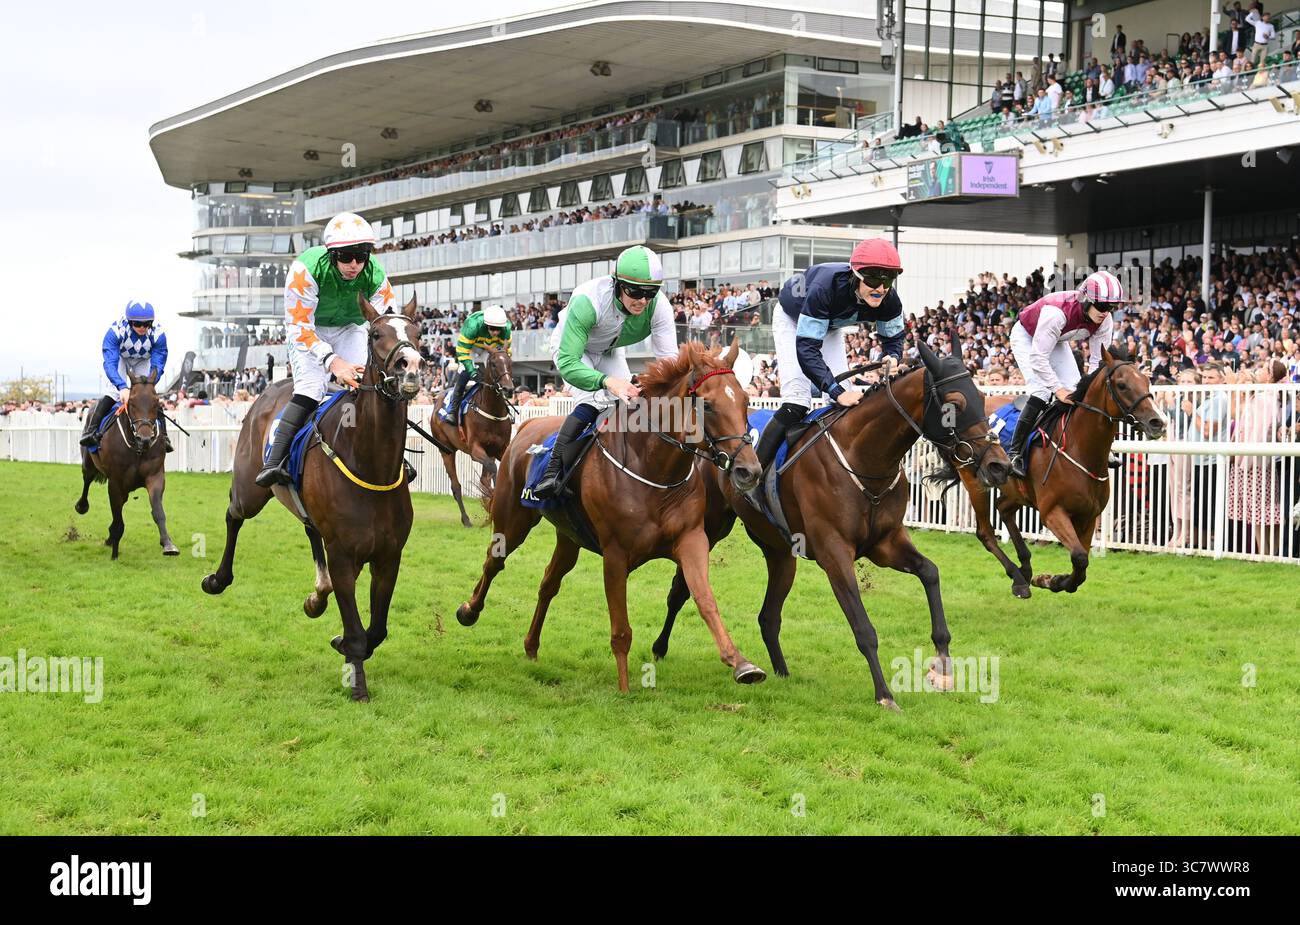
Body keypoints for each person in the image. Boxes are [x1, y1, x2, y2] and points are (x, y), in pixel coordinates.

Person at [256, 210, 396, 487]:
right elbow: (299, 328)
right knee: (311, 389)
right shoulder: (305, 270)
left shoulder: (376, 274)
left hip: (350, 328)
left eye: (361, 255)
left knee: (367, 388)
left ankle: (392, 457)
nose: (354, 264)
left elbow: (387, 323)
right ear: (332, 254)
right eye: (345, 256)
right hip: (310, 329)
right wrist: (333, 362)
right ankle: (274, 462)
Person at [530, 245, 678, 500]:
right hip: (573, 351)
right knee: (594, 400)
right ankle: (552, 471)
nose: (642, 300)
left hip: (610, 350)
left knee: (630, 400)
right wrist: (607, 382)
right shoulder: (589, 299)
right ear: (617, 282)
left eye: (650, 292)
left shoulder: (660, 306)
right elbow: (568, 363)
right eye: (635, 291)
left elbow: (670, 363)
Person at [757, 238, 907, 476]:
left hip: (829, 325)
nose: (880, 288)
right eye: (872, 280)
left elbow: (894, 337)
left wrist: (892, 356)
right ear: (856, 275)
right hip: (792, 318)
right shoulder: (825, 288)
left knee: (844, 405)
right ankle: (752, 474)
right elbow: (807, 351)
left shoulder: (889, 299)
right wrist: (836, 390)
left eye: (887, 279)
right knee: (797, 401)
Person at [1006, 270, 1122, 478]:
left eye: (1112, 307)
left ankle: (1092, 444)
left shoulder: (1105, 320)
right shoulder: (1056, 313)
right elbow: (1038, 359)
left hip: (1057, 338)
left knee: (1077, 390)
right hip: (1026, 336)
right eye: (1103, 306)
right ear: (1086, 299)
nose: (1106, 312)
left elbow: (1097, 361)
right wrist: (1058, 390)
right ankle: (1015, 453)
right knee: (1042, 390)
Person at [81, 301, 171, 451]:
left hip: (143, 360)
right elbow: (110, 362)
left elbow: (158, 363)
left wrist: (150, 383)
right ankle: (91, 431)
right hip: (121, 358)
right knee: (114, 393)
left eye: (147, 324)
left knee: (148, 395)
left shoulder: (159, 334)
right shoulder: (115, 332)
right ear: (129, 322)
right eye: (137, 324)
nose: (142, 328)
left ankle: (164, 437)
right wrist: (122, 387)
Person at [447, 304, 511, 426]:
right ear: (486, 325)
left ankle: (504, 408)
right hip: (470, 347)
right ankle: (452, 410)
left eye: (498, 329)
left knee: (498, 372)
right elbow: (462, 351)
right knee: (464, 373)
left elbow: (506, 352)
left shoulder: (507, 328)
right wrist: (472, 371)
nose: (495, 332)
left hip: (489, 348)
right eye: (492, 329)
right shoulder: (472, 325)